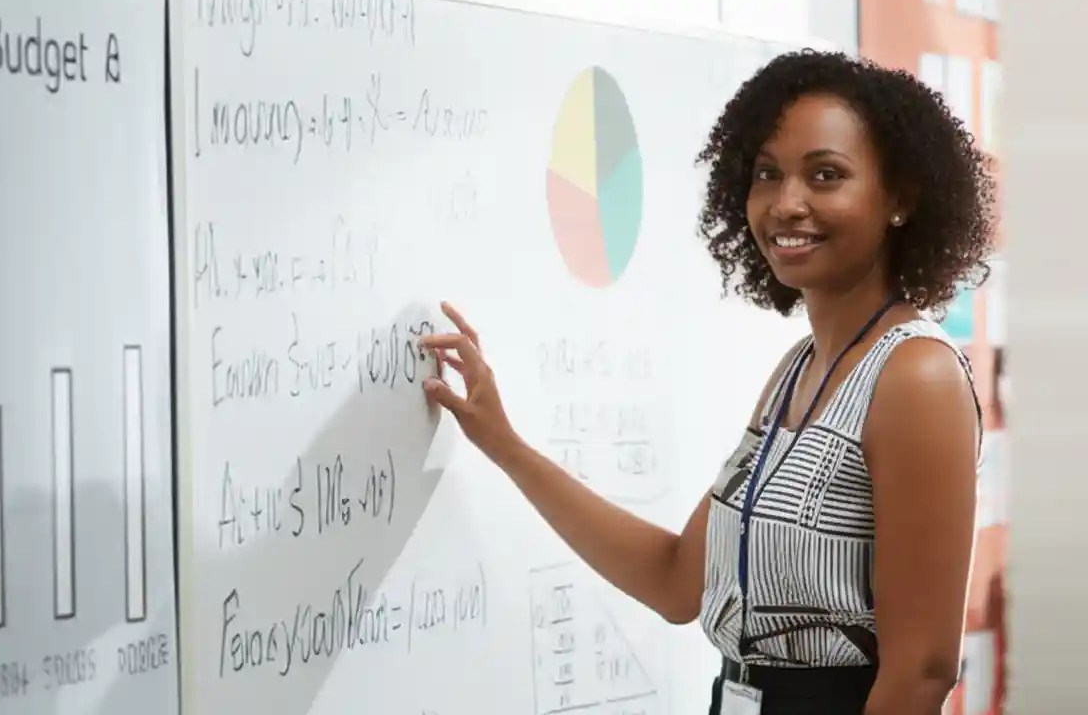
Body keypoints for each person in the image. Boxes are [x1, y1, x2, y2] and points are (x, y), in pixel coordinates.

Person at [420, 48, 995, 715]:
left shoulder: (914, 374)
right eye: (766, 175)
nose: (787, 203)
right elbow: (675, 582)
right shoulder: (797, 371)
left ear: (900, 198)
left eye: (826, 175)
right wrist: (506, 445)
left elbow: (921, 670)